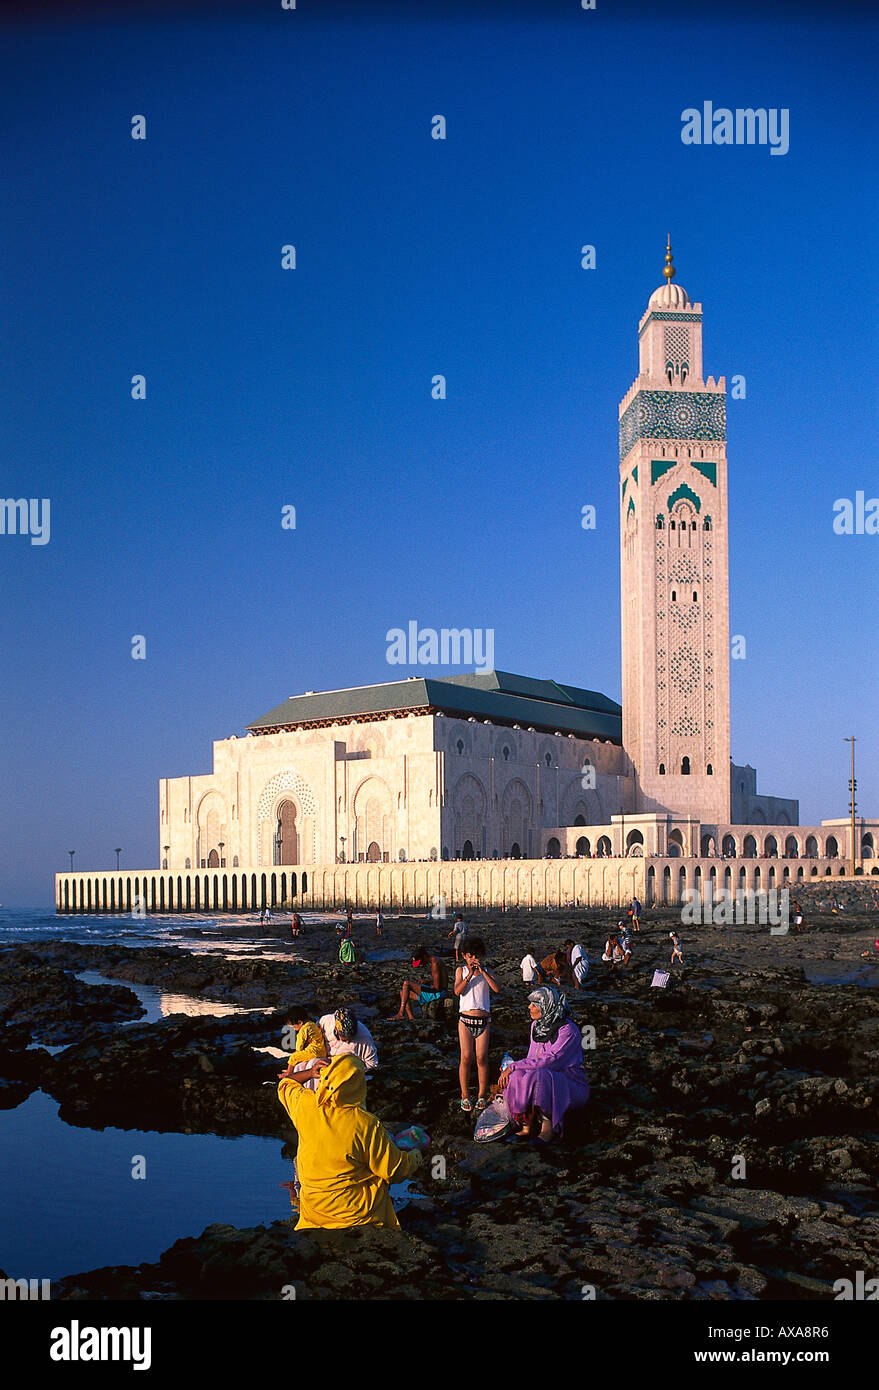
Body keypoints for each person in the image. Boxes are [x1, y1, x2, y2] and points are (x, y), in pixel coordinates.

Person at [277, 1054, 422, 1230]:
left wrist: (309, 1073)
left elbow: (285, 1084)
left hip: (314, 1214)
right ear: (359, 1085)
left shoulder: (306, 1106)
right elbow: (394, 1171)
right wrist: (416, 1156)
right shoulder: (366, 1124)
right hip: (356, 1216)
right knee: (377, 1168)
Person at [498, 985, 590, 1142]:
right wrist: (512, 1069)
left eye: (534, 1004)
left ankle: (548, 1129)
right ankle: (527, 1125)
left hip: (569, 1084)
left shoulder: (568, 1030)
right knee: (518, 1076)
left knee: (540, 1076)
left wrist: (515, 1065)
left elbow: (552, 1060)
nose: (529, 1007)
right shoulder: (536, 1026)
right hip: (546, 1074)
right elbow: (532, 1057)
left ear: (546, 1007)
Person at [454, 938, 500, 1112]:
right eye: (470, 956)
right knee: (465, 1057)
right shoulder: (461, 970)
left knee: (481, 1058)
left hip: (484, 1021)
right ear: (465, 956)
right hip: (465, 1020)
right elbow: (457, 991)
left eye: (476, 956)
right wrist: (468, 976)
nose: (473, 959)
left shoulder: (488, 971)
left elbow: (496, 989)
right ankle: (464, 1095)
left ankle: (481, 1094)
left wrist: (483, 973)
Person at [387, 945, 448, 1021]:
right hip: (437, 992)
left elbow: (436, 987)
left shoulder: (435, 963)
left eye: (421, 961)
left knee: (406, 984)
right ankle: (411, 1018)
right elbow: (439, 980)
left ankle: (400, 1013)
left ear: (424, 956)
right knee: (403, 993)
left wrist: (423, 986)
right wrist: (426, 982)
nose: (421, 964)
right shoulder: (435, 960)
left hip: (439, 993)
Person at [318, 1007, 379, 1072]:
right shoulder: (325, 1022)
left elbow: (372, 1064)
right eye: (344, 1039)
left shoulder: (365, 1038)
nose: (347, 1042)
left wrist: (350, 1068)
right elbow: (314, 1038)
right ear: (336, 1030)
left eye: (351, 1039)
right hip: (321, 1061)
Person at [278, 1005, 328, 1075]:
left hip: (314, 1052)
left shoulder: (303, 1030)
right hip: (321, 1051)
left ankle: (289, 1072)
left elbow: (299, 1046)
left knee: (293, 1057)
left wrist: (297, 1054)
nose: (294, 1029)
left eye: (294, 1026)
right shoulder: (312, 1024)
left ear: (300, 1022)